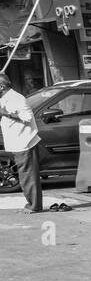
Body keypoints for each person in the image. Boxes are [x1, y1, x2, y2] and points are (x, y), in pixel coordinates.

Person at [0, 73, 42, 214]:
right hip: (17, 142)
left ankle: (34, 206)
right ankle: (31, 204)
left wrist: (6, 113)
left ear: (1, 86)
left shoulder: (17, 98)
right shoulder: (5, 98)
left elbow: (28, 117)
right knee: (25, 175)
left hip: (25, 141)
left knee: (28, 175)